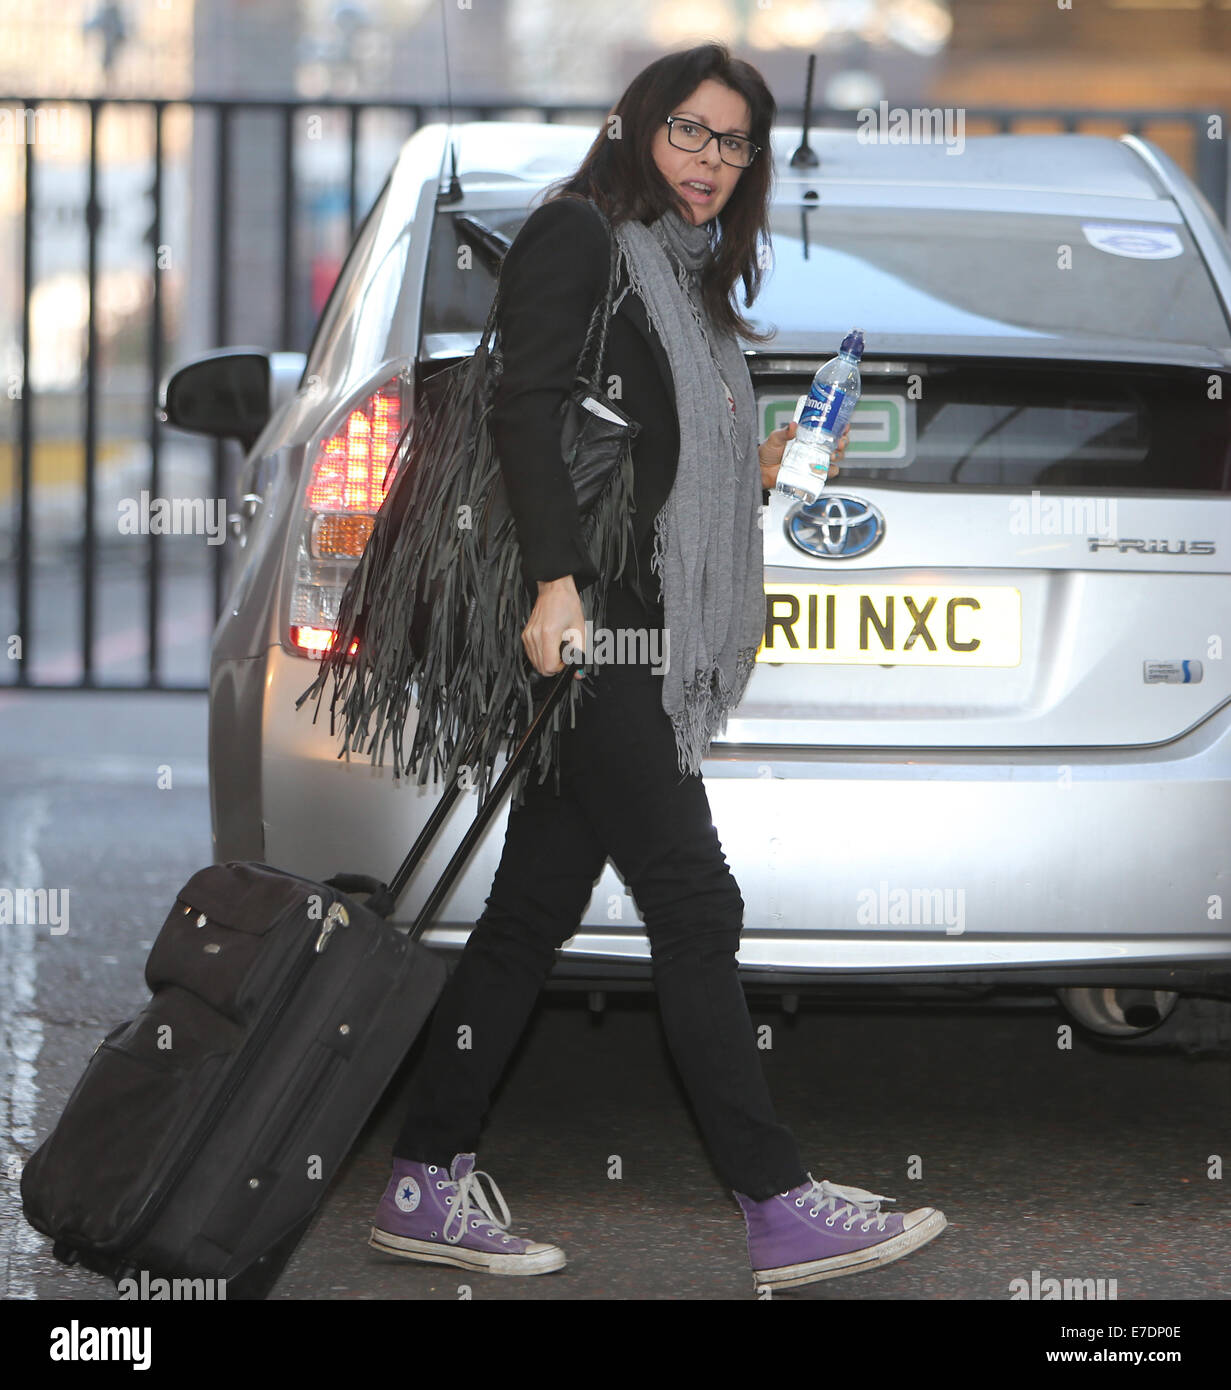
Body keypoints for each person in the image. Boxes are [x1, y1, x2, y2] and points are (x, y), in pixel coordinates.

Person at [368, 41, 947, 1293]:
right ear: (637, 125)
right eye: (689, 130)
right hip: (589, 630)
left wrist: (759, 460)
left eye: (733, 142)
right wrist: (553, 583)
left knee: (529, 911)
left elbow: (642, 456)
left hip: (630, 623)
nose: (710, 160)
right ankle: (774, 1203)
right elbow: (525, 407)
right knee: (693, 901)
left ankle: (424, 1177)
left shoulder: (684, 278)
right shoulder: (578, 233)